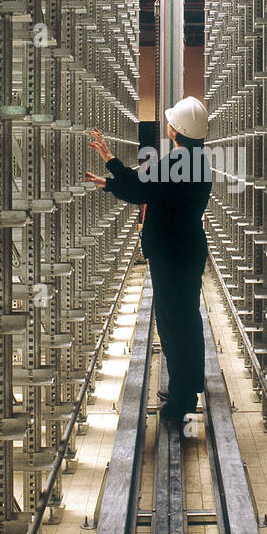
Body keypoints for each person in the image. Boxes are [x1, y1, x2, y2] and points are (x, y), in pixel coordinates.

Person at [86, 97, 211, 425]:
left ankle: (181, 400)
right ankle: (188, 385)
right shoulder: (199, 161)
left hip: (171, 253)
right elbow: (150, 188)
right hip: (187, 249)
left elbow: (140, 188)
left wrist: (110, 162)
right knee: (186, 320)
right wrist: (111, 181)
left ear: (175, 130)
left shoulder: (178, 163)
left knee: (173, 324)